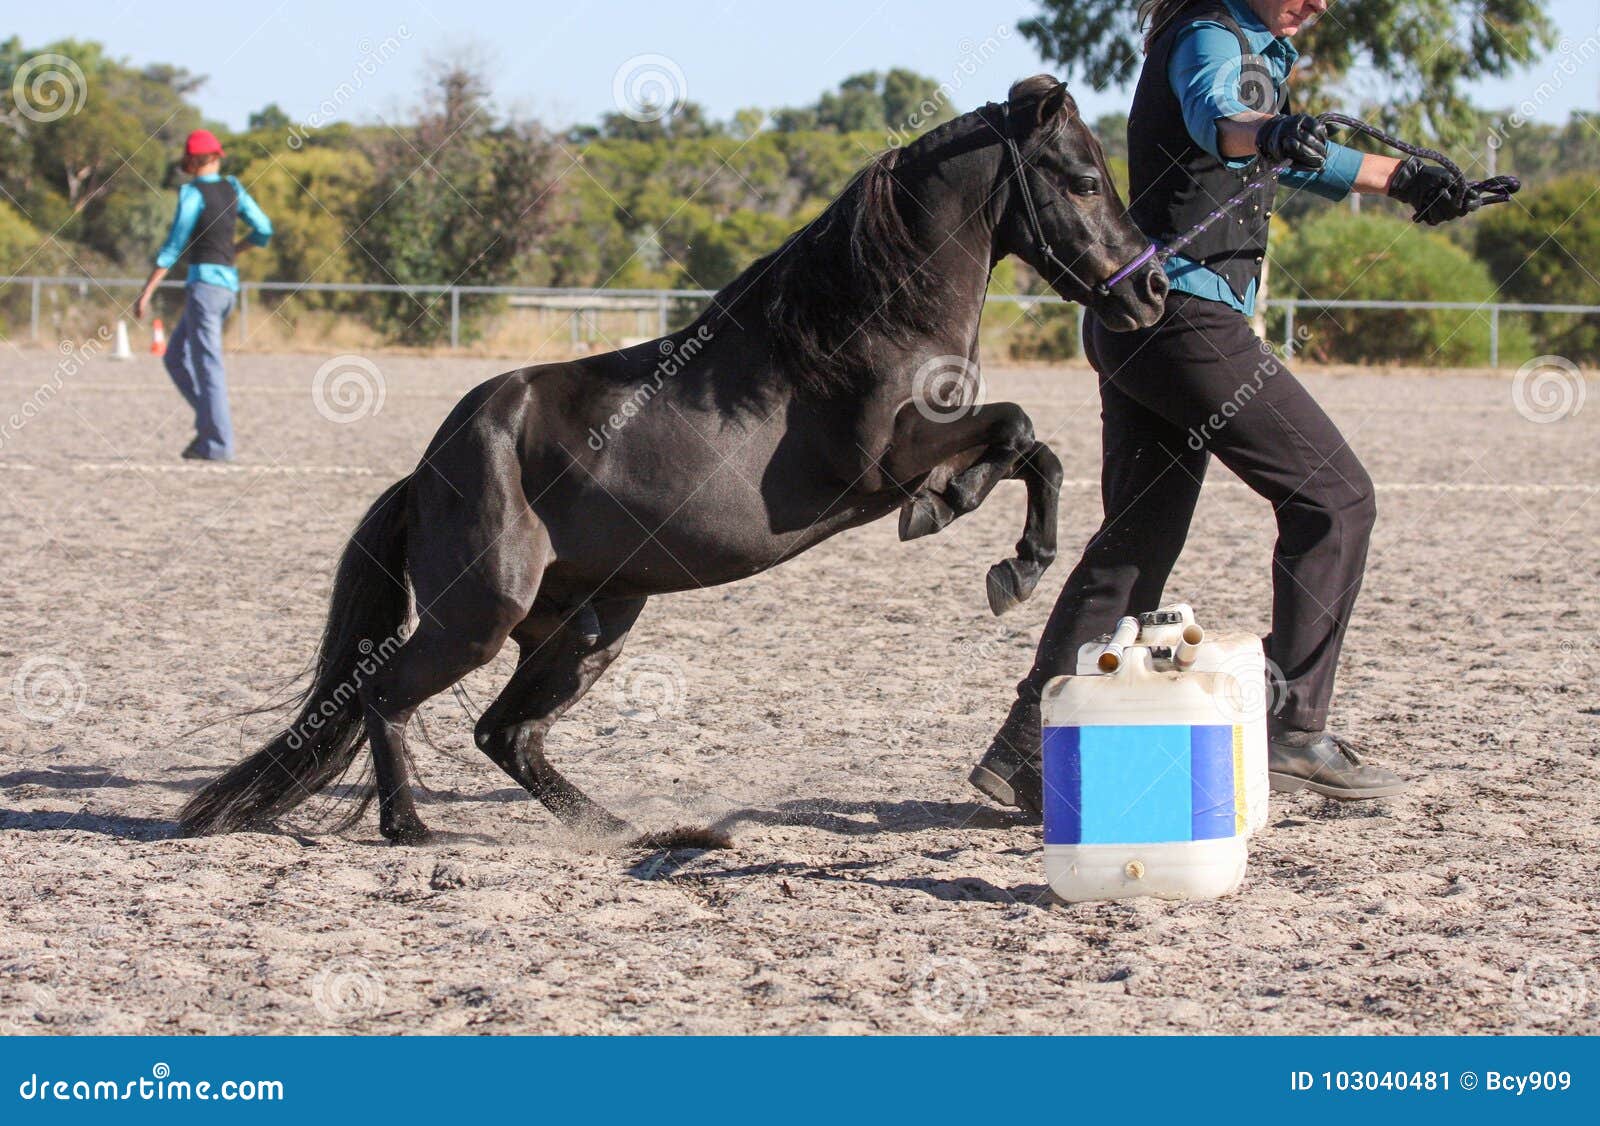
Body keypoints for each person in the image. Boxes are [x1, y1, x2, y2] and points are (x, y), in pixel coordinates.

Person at [970, 0, 1492, 813]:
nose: (1319, 4)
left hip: (1136, 320)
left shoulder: (1242, 41)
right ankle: (1295, 727)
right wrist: (1269, 129)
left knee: (1139, 538)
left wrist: (1401, 178)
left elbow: (1283, 151)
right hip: (1184, 320)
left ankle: (1025, 752)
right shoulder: (1212, 36)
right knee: (1336, 498)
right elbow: (1225, 121)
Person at [133, 129, 273, 461]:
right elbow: (264, 229)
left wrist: (146, 291)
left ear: (192, 161)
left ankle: (217, 443)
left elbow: (173, 246)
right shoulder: (233, 188)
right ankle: (210, 423)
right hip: (227, 289)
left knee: (209, 366)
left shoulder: (192, 194)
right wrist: (235, 250)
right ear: (216, 157)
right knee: (174, 357)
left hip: (204, 291)